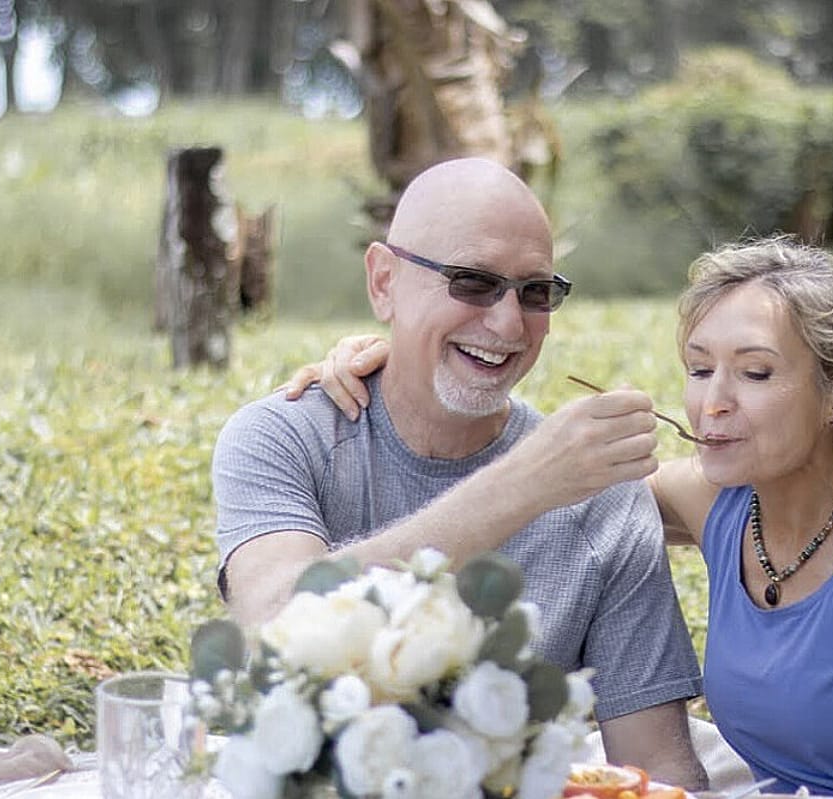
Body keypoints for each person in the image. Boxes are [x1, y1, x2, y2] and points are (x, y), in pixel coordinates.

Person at [284, 236, 833, 797]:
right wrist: (397, 368)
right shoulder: (716, 503)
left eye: (755, 373)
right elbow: (536, 482)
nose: (714, 403)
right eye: (700, 370)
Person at [211, 157, 709, 791]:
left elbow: (660, 770)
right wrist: (522, 486)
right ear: (384, 282)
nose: (507, 324)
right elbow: (269, 629)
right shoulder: (286, 437)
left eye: (535, 292)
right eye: (472, 282)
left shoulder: (603, 497)